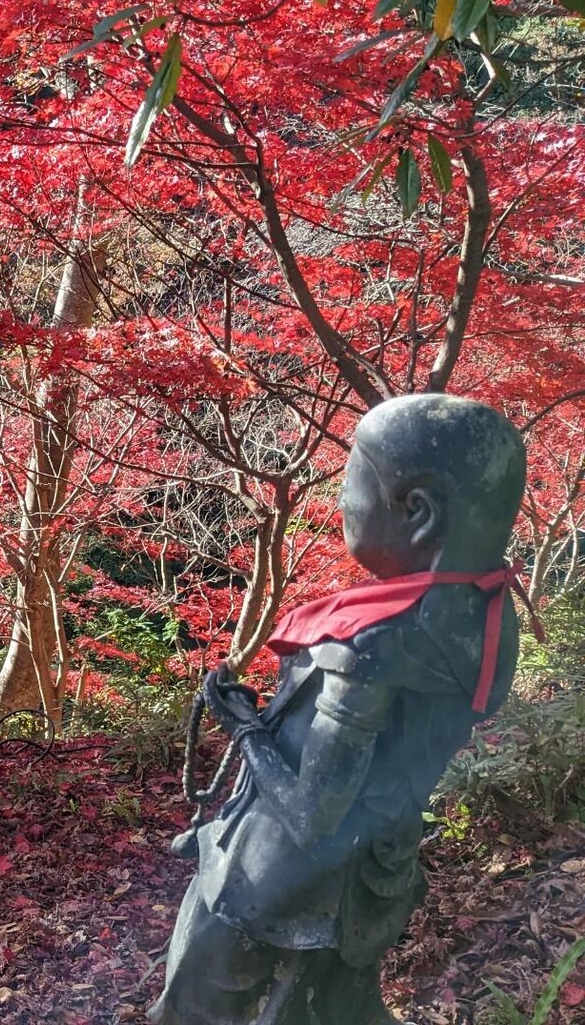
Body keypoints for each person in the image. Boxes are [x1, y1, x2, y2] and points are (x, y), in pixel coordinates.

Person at [152, 394, 532, 1024]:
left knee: (194, 1005)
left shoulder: (372, 646)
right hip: (378, 863)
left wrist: (241, 723)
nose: (340, 502)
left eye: (354, 480)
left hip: (275, 877)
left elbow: (312, 812)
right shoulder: (483, 617)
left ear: (416, 512)